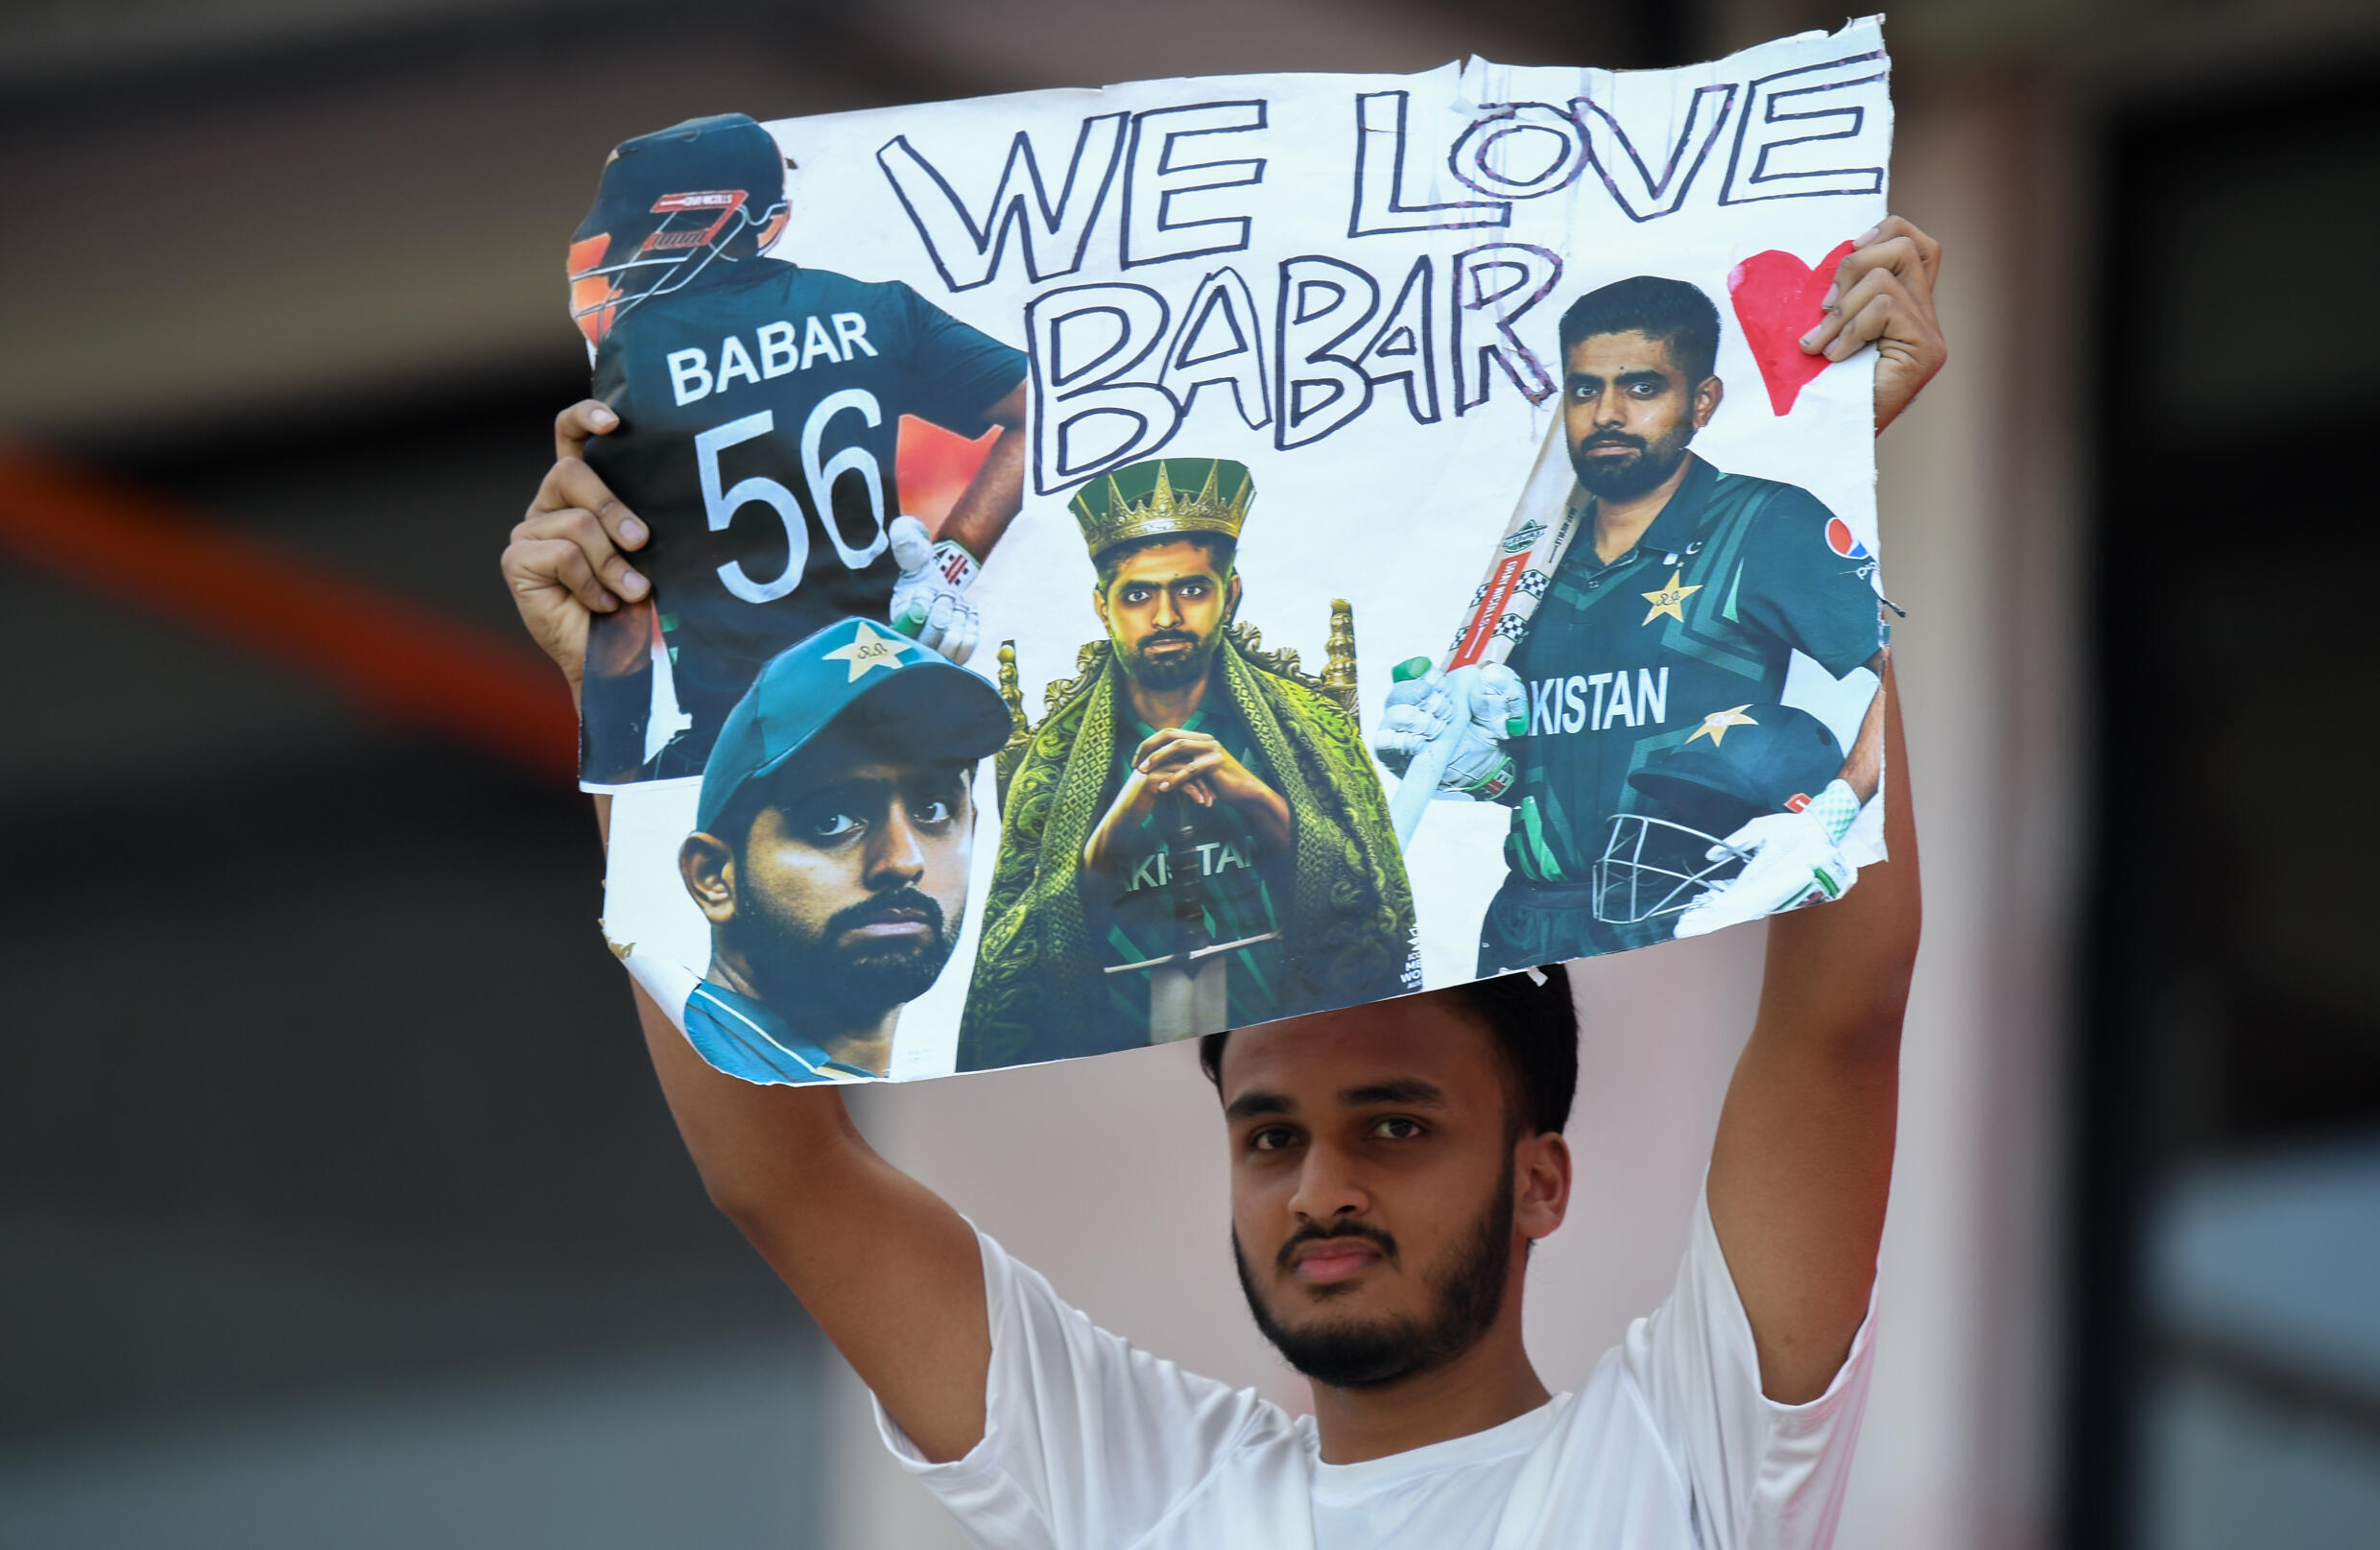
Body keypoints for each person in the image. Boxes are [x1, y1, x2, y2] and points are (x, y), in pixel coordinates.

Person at [499, 214, 1943, 1548]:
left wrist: (1830, 473)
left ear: (1542, 1177)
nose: (1322, 1187)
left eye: (1394, 1125)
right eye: (1269, 1136)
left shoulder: (1693, 1449)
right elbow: (777, 1169)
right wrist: (642, 706)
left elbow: (1844, 1003)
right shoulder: (1151, 1487)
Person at [1375, 266, 1925, 975]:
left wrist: (1837, 809)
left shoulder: (1763, 522)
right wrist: (1472, 768)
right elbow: (1547, 765)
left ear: (1702, 401)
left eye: (1641, 387)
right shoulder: (1530, 554)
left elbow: (1903, 667)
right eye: (1585, 389)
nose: (1607, 412)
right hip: (1522, 929)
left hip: (1682, 919)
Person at [561, 112, 1030, 783]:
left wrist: (618, 776)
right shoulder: (877, 309)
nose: (622, 258)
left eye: (635, 234)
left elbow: (625, 624)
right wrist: (950, 564)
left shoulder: (636, 354)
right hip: (886, 707)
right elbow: (1050, 409)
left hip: (737, 741)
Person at [957, 456, 1416, 1072]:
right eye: (1139, 595)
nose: (1167, 617)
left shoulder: (1310, 728)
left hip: (1298, 1052)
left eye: (1192, 590)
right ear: (1103, 607)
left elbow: (1373, 911)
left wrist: (1255, 797)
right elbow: (1019, 963)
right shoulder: (1056, 759)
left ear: (1231, 594)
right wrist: (1109, 837)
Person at [671, 616, 1012, 1084]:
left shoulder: (824, 1087)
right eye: (831, 821)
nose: (902, 861)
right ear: (713, 876)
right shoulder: (691, 1083)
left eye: (932, 809)